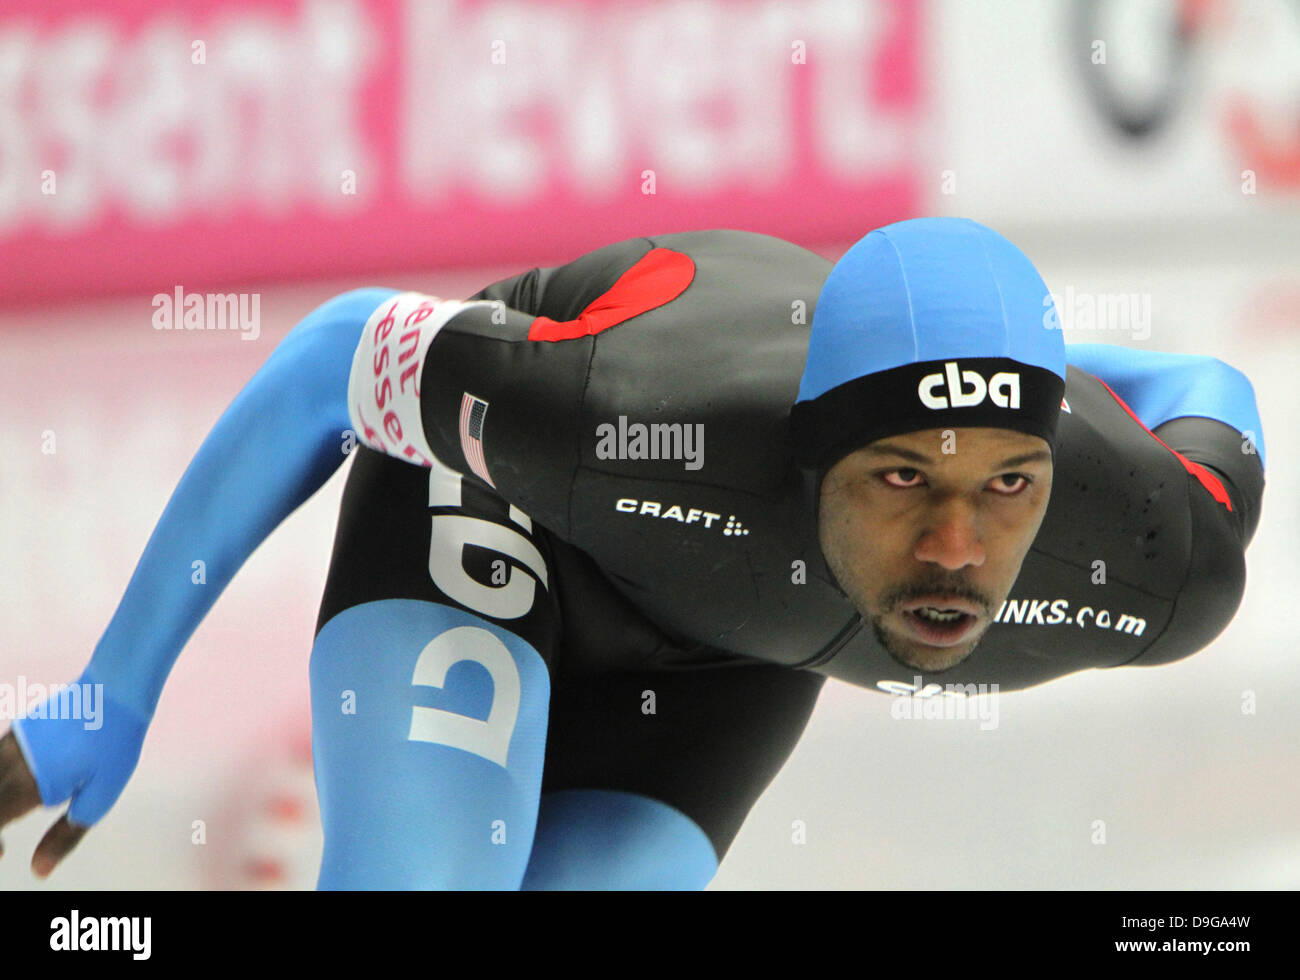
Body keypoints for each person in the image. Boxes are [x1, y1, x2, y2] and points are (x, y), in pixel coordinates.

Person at [0, 218, 1265, 889]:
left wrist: (1090, 374)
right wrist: (119, 687)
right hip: (515, 515)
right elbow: (333, 357)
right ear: (809, 454)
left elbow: (1210, 382)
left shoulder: (1154, 562)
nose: (954, 543)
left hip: (727, 636)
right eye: (899, 477)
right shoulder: (613, 416)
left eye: (1008, 484)